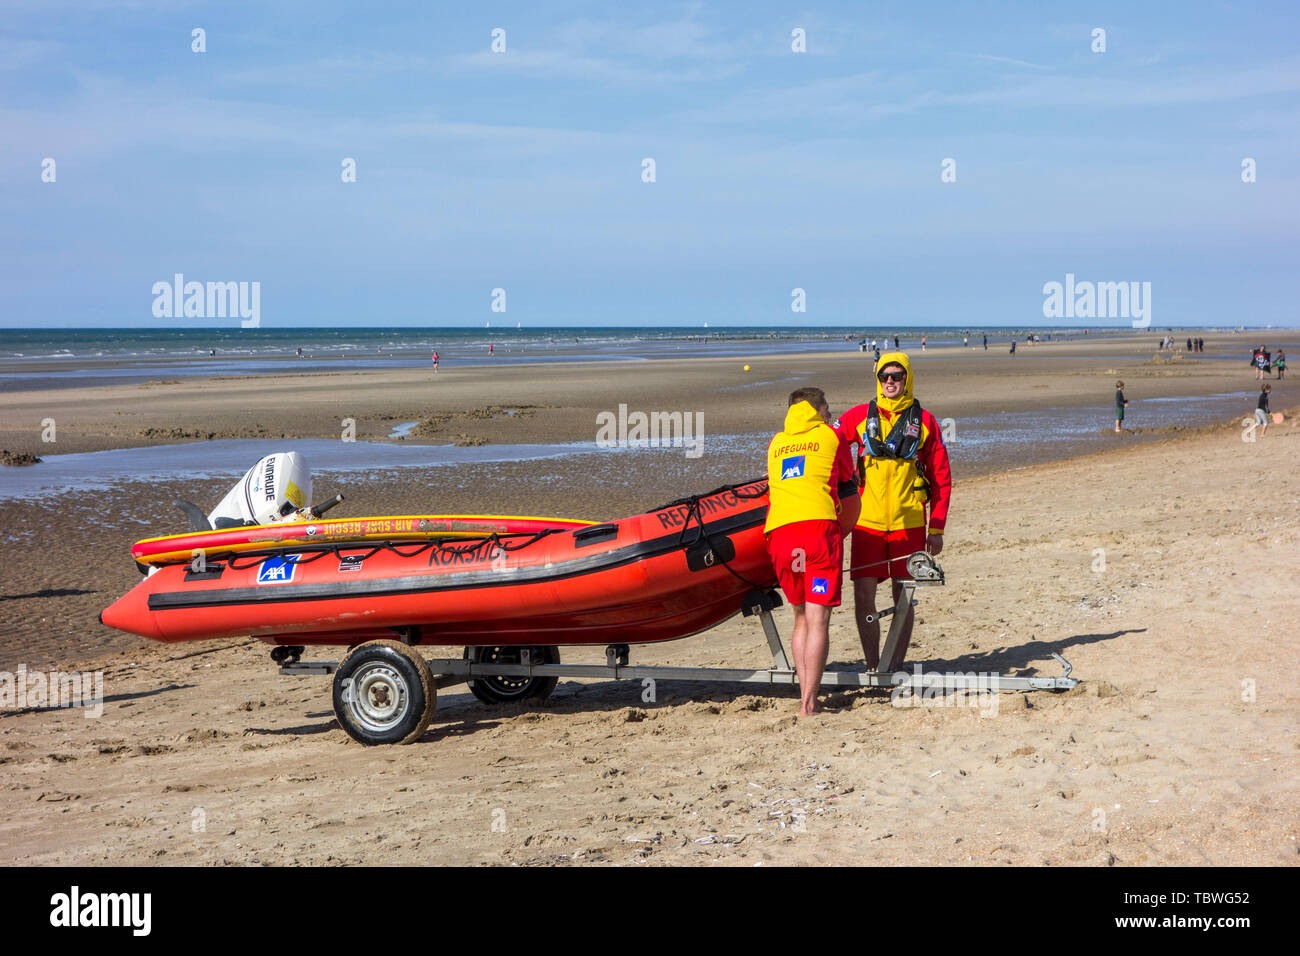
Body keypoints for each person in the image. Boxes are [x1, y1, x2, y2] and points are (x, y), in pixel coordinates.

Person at [833, 353, 951, 672]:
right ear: (878, 378)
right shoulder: (857, 416)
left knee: (903, 598)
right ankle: (874, 666)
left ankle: (895, 665)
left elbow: (942, 478)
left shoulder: (925, 422)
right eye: (885, 375)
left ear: (907, 378)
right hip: (866, 525)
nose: (890, 381)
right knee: (863, 597)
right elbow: (827, 445)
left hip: (909, 523)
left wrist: (936, 530)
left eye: (897, 376)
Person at [764, 387, 861, 716]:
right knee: (819, 620)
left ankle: (805, 697)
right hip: (816, 531)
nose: (831, 416)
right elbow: (848, 478)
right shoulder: (831, 437)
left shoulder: (775, 443)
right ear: (819, 410)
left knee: (801, 617)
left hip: (779, 534)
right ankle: (809, 702)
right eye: (828, 410)